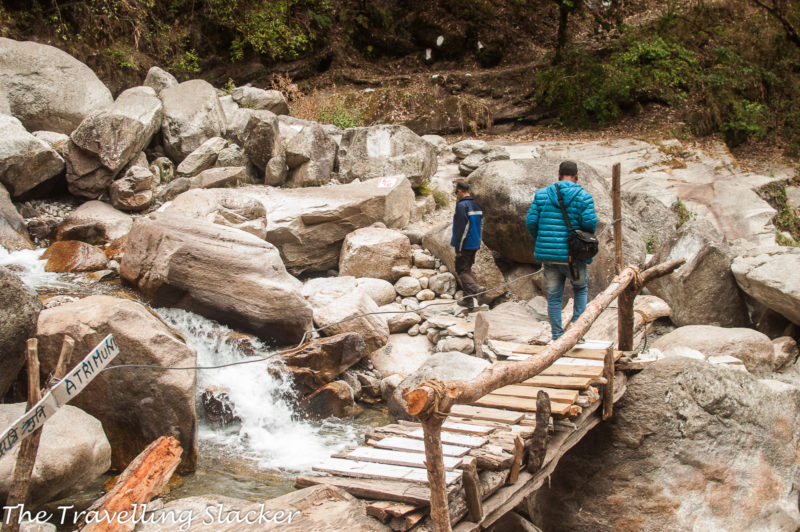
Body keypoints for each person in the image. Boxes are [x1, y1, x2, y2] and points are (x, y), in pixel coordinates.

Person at [525, 160, 597, 341]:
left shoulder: (542, 195)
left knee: (554, 297)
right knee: (580, 289)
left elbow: (531, 222)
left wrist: (542, 239)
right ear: (577, 176)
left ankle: (557, 336)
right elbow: (590, 223)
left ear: (558, 175)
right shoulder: (583, 196)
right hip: (574, 256)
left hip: (549, 256)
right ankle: (577, 334)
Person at [451, 181, 484, 306]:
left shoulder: (462, 206)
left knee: (461, 271)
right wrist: (479, 243)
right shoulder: (477, 205)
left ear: (459, 191)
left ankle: (477, 289)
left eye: (456, 192)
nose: (456, 194)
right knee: (467, 270)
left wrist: (458, 248)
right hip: (474, 243)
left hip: (465, 244)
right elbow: (480, 226)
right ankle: (468, 300)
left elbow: (461, 228)